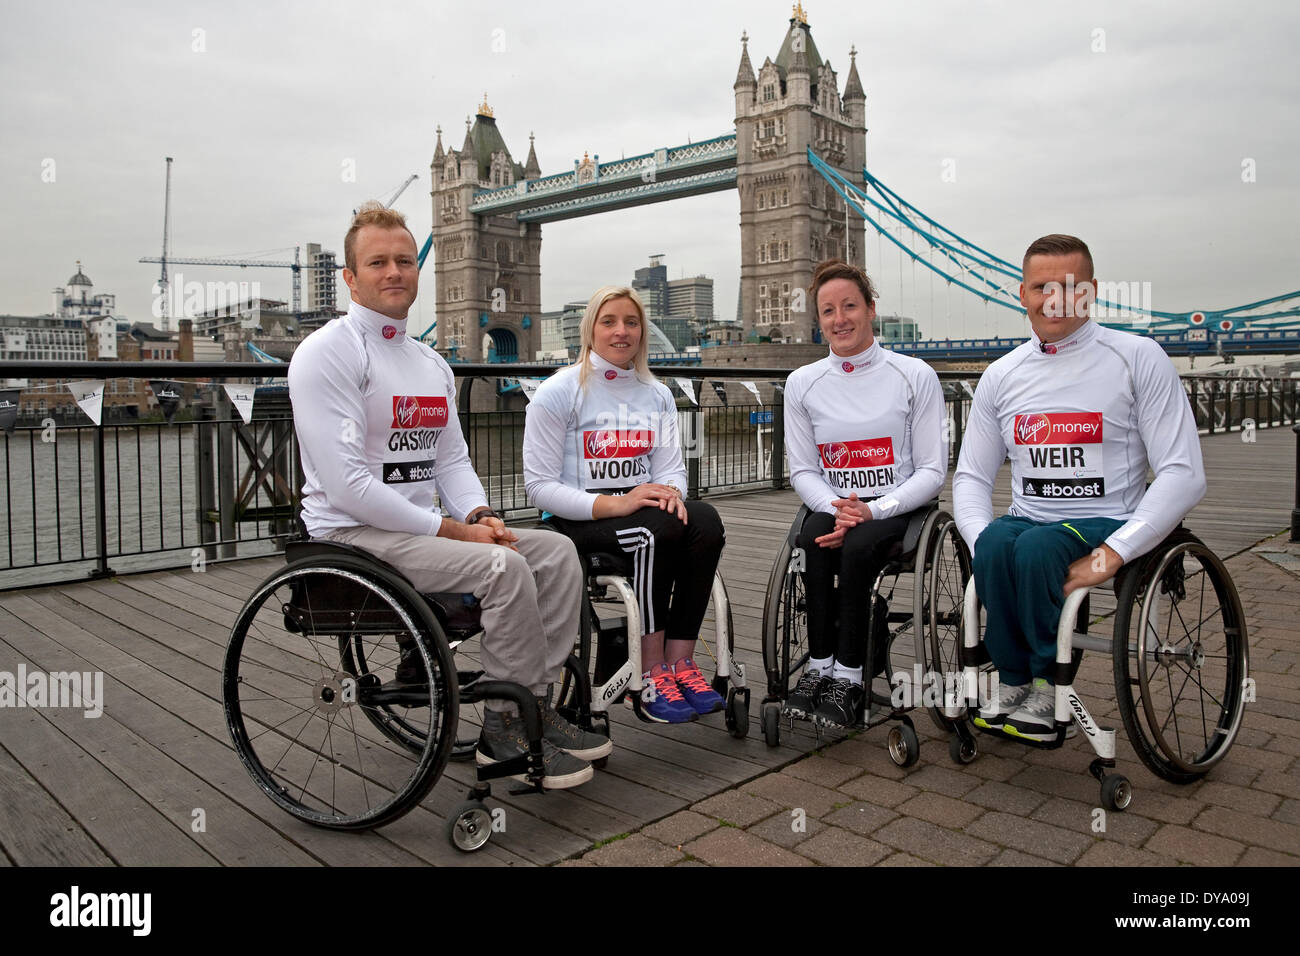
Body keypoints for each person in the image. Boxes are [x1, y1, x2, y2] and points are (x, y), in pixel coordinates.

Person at [287, 202, 610, 790]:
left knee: (557, 555)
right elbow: (349, 486)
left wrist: (480, 512)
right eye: (377, 262)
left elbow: (451, 460)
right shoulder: (327, 353)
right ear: (350, 279)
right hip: (352, 533)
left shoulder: (431, 363)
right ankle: (503, 730)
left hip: (419, 529)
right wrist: (457, 532)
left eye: (405, 261)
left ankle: (537, 705)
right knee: (503, 566)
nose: (394, 272)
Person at [952, 234, 1206, 741]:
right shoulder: (1001, 376)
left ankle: (1046, 691)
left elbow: (1183, 472)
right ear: (1021, 293)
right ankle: (1014, 683)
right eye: (1041, 287)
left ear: (1091, 291)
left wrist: (1112, 555)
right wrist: (982, 543)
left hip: (1108, 519)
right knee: (998, 543)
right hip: (1028, 525)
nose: (1054, 300)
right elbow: (972, 478)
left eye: (1068, 287)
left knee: (1036, 547)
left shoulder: (1138, 357)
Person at [522, 287, 727, 724]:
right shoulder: (559, 392)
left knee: (705, 520)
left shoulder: (657, 395)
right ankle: (648, 671)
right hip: (578, 519)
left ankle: (680, 663)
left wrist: (669, 493)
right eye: (609, 322)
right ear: (590, 330)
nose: (621, 332)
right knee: (652, 531)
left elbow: (672, 470)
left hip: (644, 513)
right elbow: (539, 487)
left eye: (631, 322)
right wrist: (618, 504)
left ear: (642, 332)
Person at [782, 260, 947, 728]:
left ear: (871, 309)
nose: (840, 319)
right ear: (819, 320)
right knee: (813, 537)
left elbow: (933, 471)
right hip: (832, 507)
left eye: (850, 306)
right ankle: (818, 668)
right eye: (829, 310)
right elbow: (803, 469)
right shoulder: (803, 383)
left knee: (856, 544)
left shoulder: (914, 375)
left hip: (899, 508)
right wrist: (836, 509)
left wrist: (871, 511)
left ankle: (850, 678)